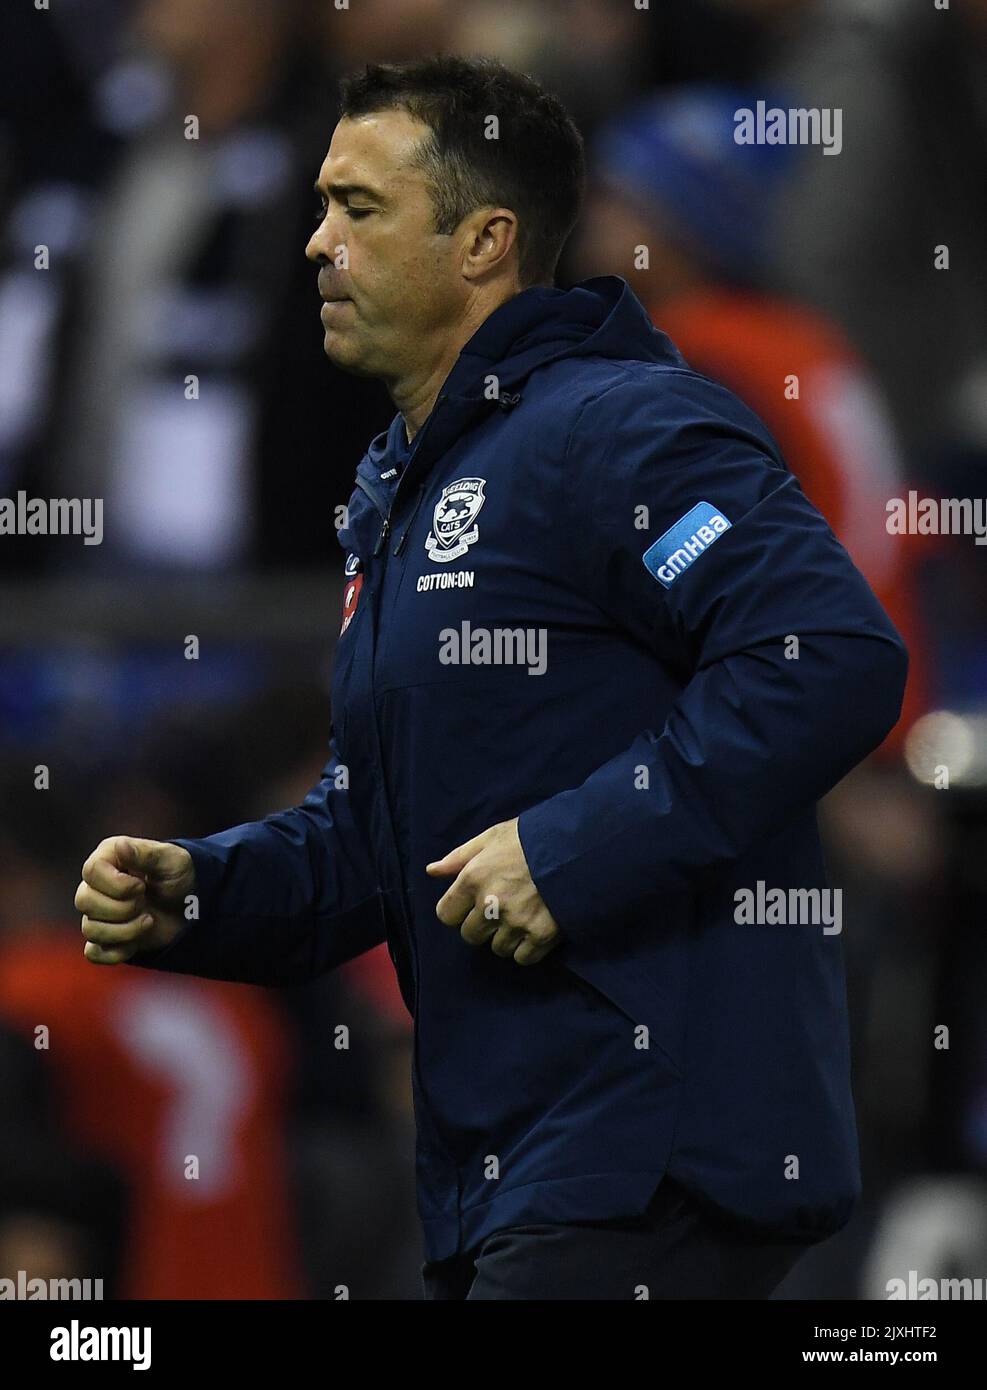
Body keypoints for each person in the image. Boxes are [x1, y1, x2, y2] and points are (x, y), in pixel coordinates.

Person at [75, 56, 908, 1300]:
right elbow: (376, 838)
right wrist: (202, 890)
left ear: (484, 241)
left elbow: (827, 655)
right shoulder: (401, 493)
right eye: (320, 205)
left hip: (650, 1149)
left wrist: (569, 850)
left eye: (359, 210)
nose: (315, 243)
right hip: (508, 1172)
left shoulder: (621, 427)